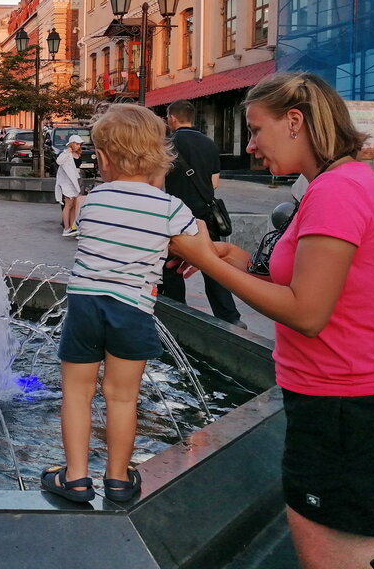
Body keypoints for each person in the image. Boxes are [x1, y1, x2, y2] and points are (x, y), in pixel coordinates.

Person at [169, 73, 374, 569]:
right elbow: (314, 278)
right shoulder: (339, 182)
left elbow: (307, 312)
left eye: (255, 129)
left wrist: (206, 261)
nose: (249, 147)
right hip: (339, 400)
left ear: (295, 121)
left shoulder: (337, 192)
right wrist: (239, 260)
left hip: (342, 407)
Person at [41, 104, 198, 504]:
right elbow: (195, 247)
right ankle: (117, 479)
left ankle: (75, 478)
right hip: (132, 309)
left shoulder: (93, 201)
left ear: (105, 158)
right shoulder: (170, 209)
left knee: (77, 393)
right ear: (159, 158)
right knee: (122, 396)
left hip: (85, 305)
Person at [159, 100, 242, 327]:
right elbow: (215, 183)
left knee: (172, 265)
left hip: (175, 214)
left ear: (172, 118)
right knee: (211, 263)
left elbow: (158, 181)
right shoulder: (209, 144)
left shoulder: (167, 144)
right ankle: (229, 316)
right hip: (204, 214)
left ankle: (178, 312)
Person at [54, 135, 84, 237]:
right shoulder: (66, 153)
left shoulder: (78, 153)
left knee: (74, 205)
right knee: (68, 205)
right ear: (71, 143)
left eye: (79, 144)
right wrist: (68, 152)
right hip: (67, 182)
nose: (78, 146)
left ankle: (72, 227)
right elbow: (59, 161)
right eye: (76, 144)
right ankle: (66, 228)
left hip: (76, 181)